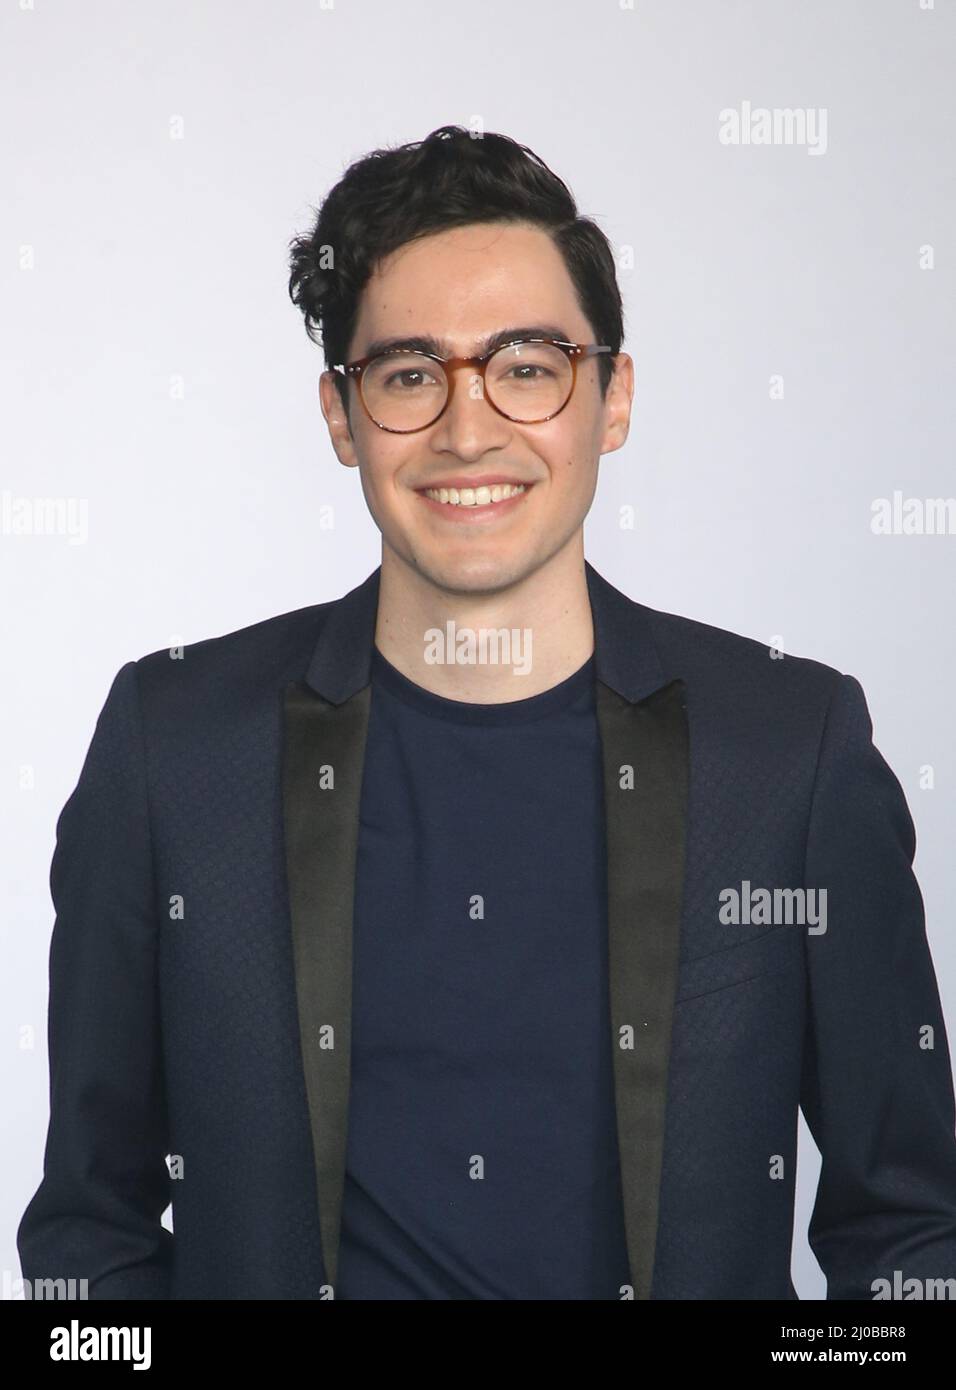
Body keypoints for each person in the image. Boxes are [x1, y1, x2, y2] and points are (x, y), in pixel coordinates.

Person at [18, 125, 956, 1300]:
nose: (469, 430)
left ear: (610, 398)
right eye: (409, 374)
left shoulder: (787, 751)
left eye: (525, 365)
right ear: (340, 417)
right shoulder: (173, 748)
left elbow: (911, 1236)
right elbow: (85, 1242)